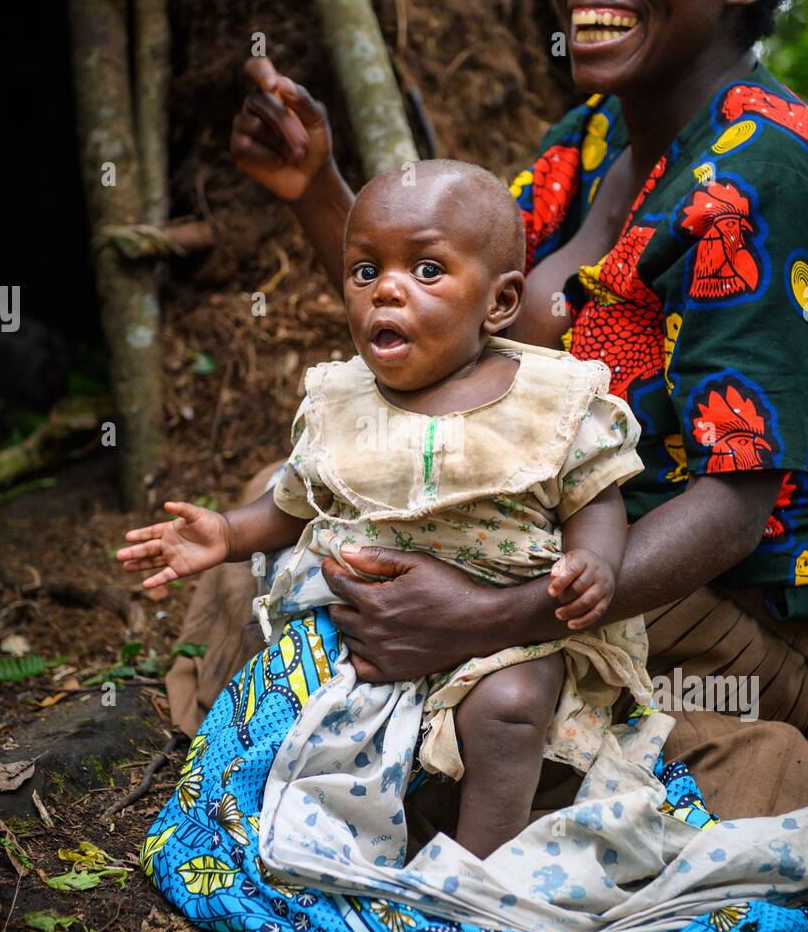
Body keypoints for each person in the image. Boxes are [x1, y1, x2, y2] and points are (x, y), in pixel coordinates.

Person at [219, 0, 808, 822]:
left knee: (375, 590)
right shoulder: (594, 135)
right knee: (292, 508)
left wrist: (481, 617)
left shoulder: (763, 173)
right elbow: (451, 324)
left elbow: (734, 509)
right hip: (562, 547)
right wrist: (315, 187)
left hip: (727, 613)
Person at [120, 160, 651, 859]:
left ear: (498, 303)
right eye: (365, 271)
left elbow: (596, 495)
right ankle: (325, 843)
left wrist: (593, 560)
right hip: (368, 627)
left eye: (427, 270)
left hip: (510, 625)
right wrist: (225, 531)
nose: (387, 290)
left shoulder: (546, 402)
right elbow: (295, 503)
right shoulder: (344, 402)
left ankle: (480, 872)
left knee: (512, 706)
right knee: (296, 698)